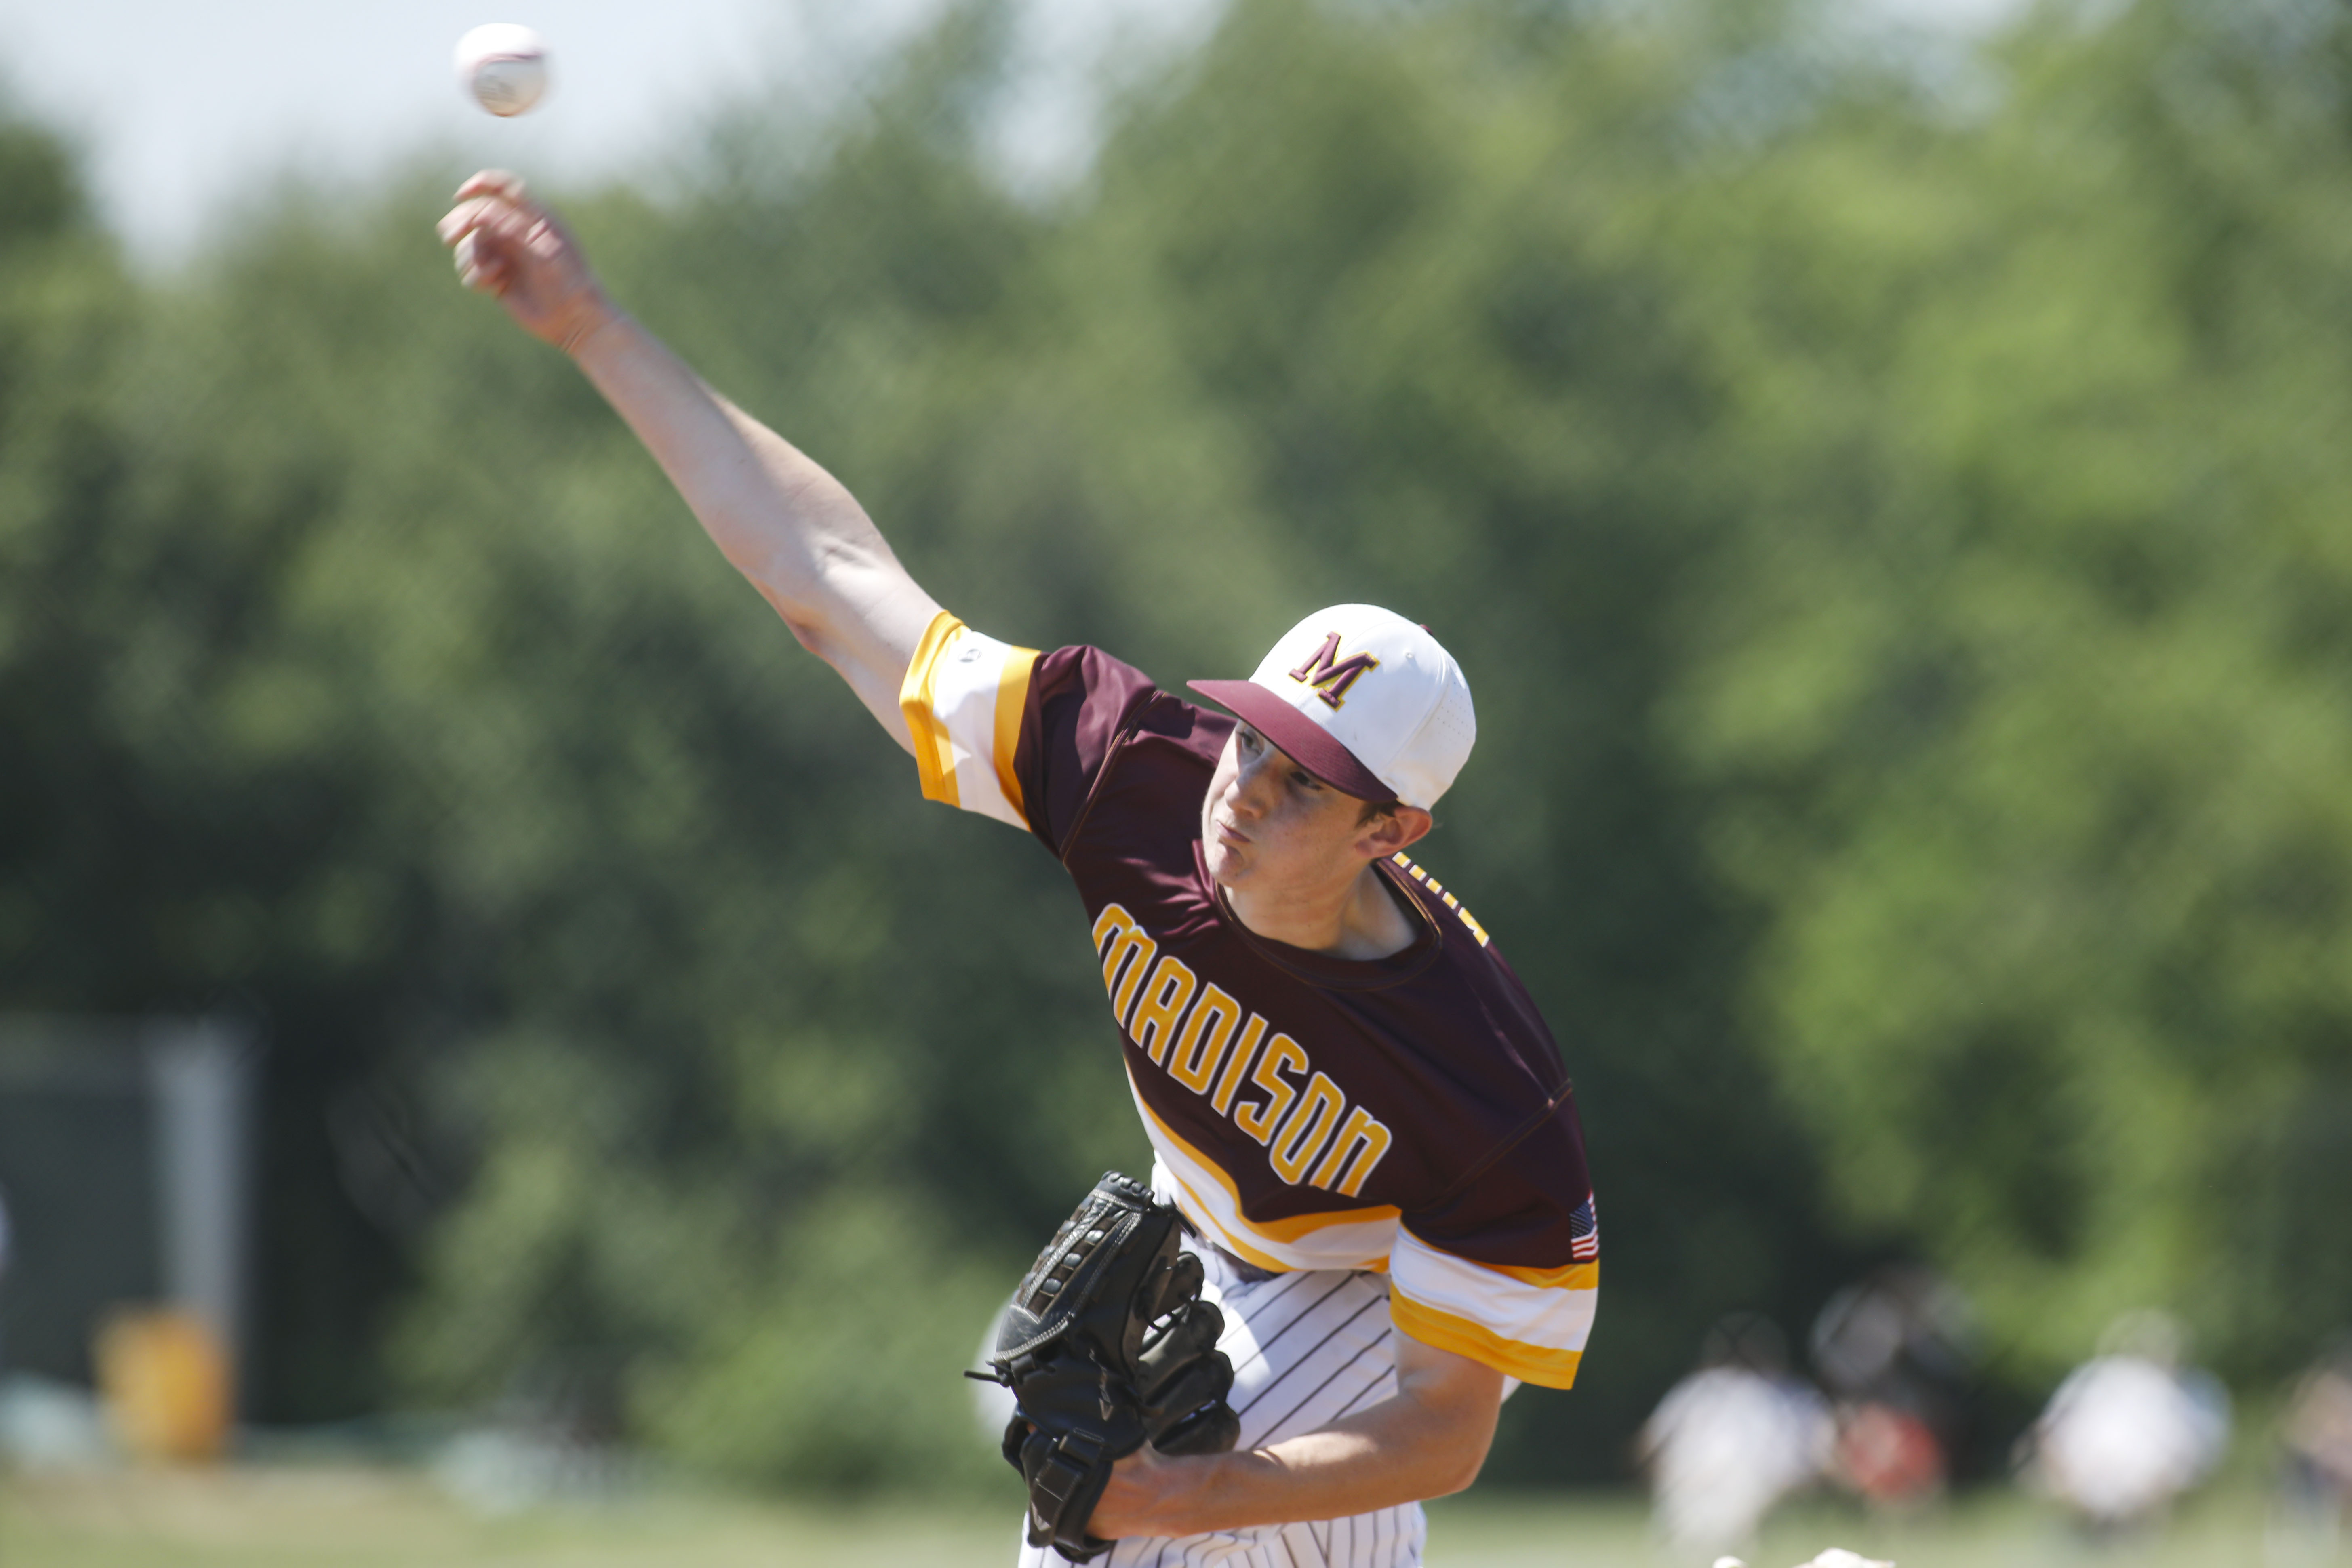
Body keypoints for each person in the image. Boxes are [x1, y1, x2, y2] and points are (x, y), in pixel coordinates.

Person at [438, 171, 1599, 1568]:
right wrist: (593, 327)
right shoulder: (1127, 771)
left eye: (1304, 780)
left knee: (1149, 1530)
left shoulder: (1484, 1086)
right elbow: (830, 584)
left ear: (1389, 833)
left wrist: (1191, 1497)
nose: (1246, 787)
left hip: (1364, 1290)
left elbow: (1447, 1429)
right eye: (1252, 737)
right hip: (1200, 1228)